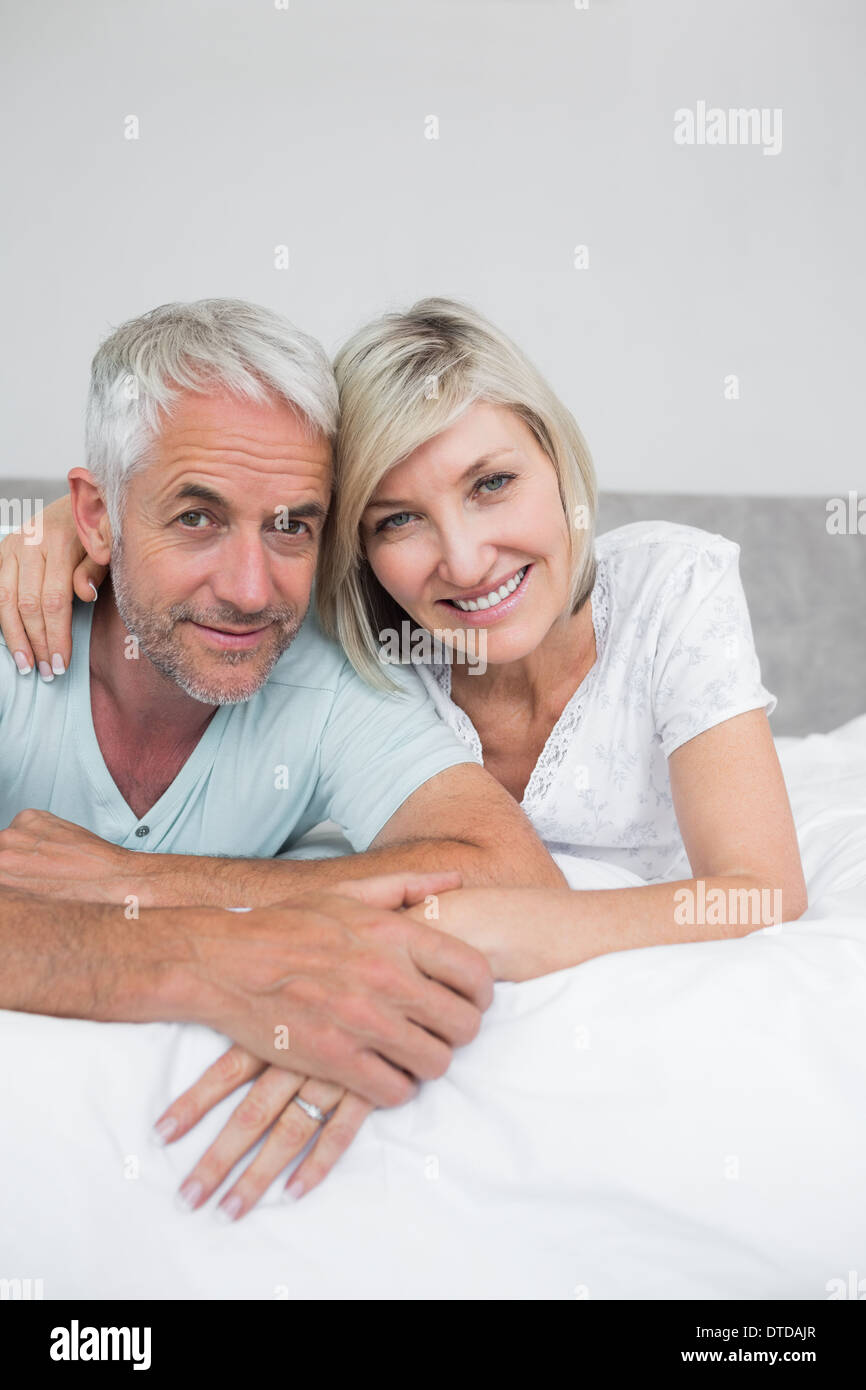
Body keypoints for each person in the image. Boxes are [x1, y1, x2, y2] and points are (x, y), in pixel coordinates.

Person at [1, 296, 807, 1215]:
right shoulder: (370, 645)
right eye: (396, 521)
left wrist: (149, 894)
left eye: (493, 483)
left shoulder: (651, 593)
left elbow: (548, 879)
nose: (464, 561)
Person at [0, 298, 563, 1221]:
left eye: (293, 525)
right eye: (196, 517)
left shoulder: (327, 677)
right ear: (94, 517)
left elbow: (514, 878)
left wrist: (141, 884)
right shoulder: (15, 628)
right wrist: (196, 955)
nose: (252, 590)